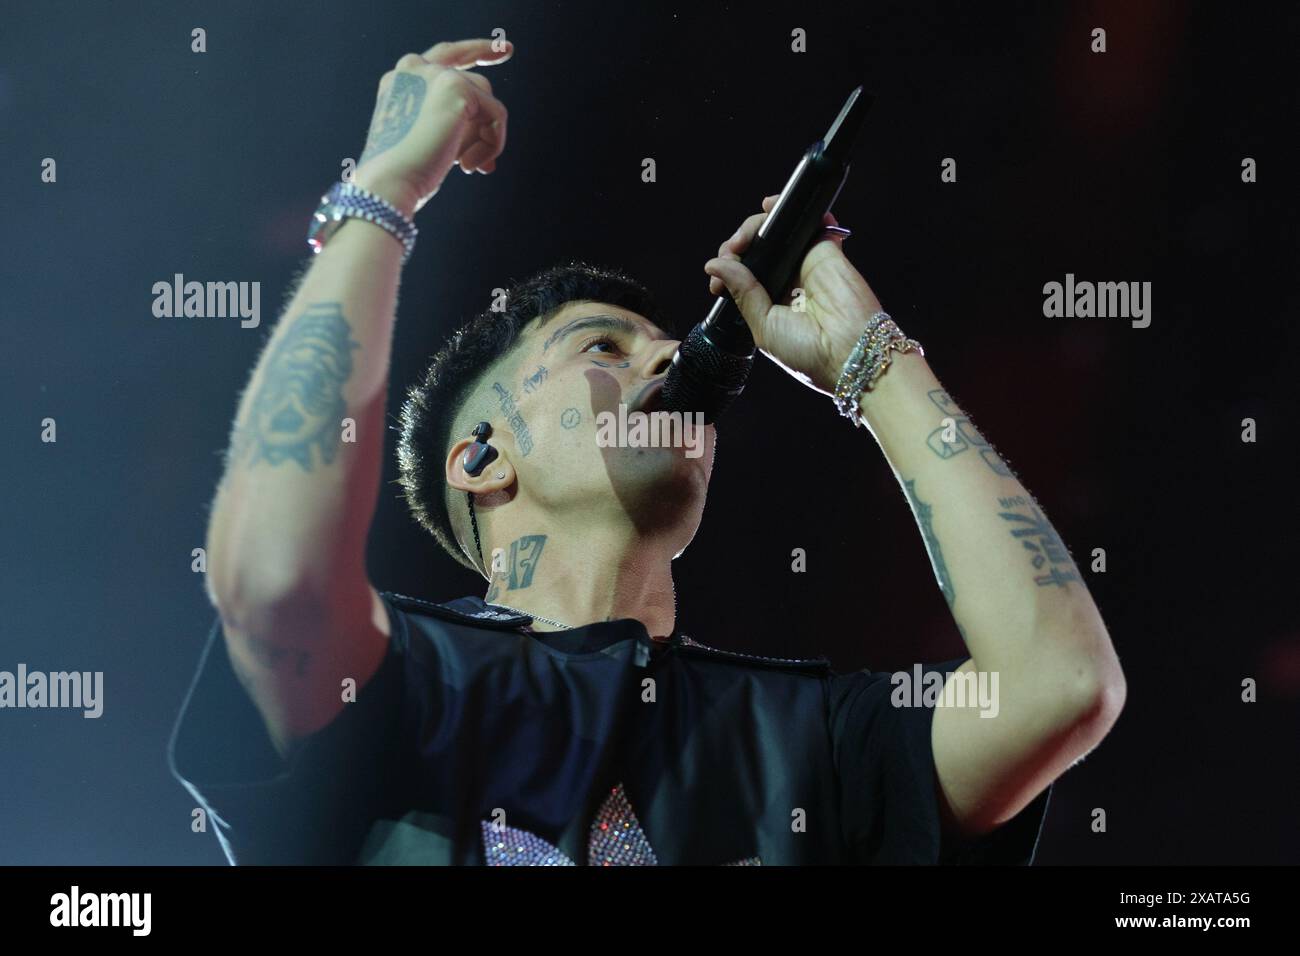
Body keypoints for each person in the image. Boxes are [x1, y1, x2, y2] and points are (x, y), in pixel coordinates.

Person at [168, 37, 1126, 865]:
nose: (670, 356)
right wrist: (382, 190)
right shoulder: (404, 686)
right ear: (483, 459)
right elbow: (272, 573)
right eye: (602, 349)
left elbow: (1062, 685)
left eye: (660, 341)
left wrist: (869, 364)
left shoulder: (812, 745)